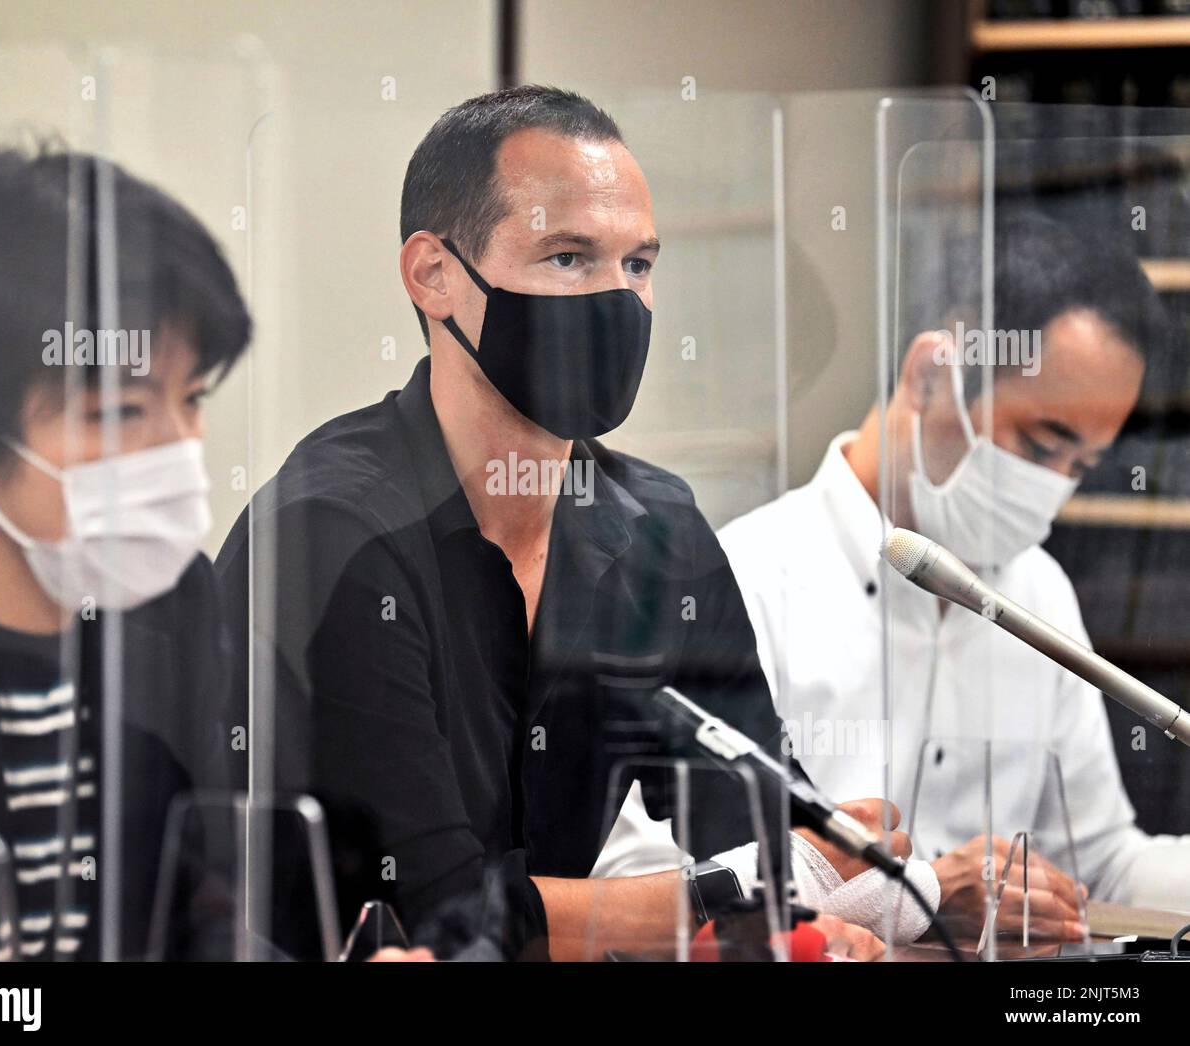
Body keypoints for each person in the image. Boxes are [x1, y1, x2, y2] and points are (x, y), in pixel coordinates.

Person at [216, 85, 908, 963]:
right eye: (570, 257)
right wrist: (745, 890)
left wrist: (900, 886)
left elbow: (769, 821)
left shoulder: (654, 530)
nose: (617, 298)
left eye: (639, 265)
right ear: (435, 275)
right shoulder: (334, 532)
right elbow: (436, 914)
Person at [719, 210, 1190, 940]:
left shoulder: (1039, 593)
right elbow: (673, 883)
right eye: (1041, 444)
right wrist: (925, 895)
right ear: (931, 375)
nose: (1053, 490)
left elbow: (1098, 865)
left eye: (1080, 468)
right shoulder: (745, 581)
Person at [0, 146, 252, 960]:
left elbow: (205, 905)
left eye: (191, 399)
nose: (179, 449)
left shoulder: (174, 600)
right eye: (120, 411)